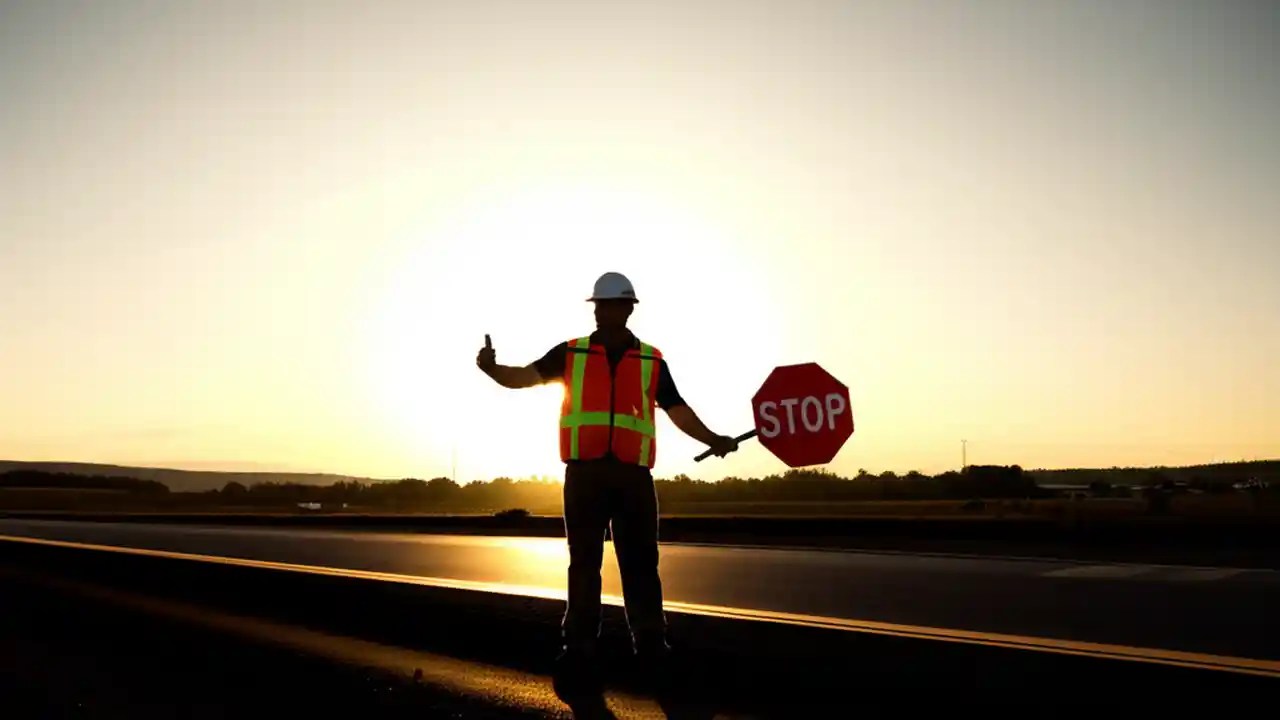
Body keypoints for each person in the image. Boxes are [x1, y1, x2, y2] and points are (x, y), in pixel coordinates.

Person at [475, 270, 740, 682]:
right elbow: (523, 377)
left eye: (611, 304)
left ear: (628, 309)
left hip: (633, 477)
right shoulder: (572, 354)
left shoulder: (652, 361)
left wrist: (714, 438)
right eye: (599, 305)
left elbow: (677, 410)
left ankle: (651, 644)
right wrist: (492, 370)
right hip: (585, 475)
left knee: (641, 564)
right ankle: (579, 647)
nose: (603, 311)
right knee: (584, 564)